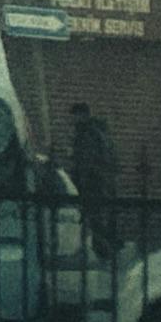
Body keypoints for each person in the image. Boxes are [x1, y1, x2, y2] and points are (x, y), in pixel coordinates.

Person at [64, 100, 119, 259]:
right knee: (94, 219)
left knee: (93, 219)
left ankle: (106, 251)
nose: (72, 120)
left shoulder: (87, 134)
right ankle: (105, 249)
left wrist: (80, 182)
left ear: (82, 115)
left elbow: (87, 162)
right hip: (96, 183)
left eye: (74, 116)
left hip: (91, 184)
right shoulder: (94, 133)